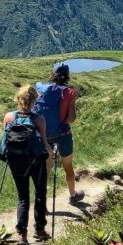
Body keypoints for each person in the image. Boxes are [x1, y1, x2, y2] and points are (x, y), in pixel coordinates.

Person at [2, 85, 54, 245]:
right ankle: (39, 229)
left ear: (18, 99)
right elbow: (44, 143)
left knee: (22, 197)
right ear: (34, 100)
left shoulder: (9, 117)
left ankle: (21, 234)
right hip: (36, 162)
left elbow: (5, 142)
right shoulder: (39, 120)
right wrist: (51, 154)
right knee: (40, 193)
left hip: (16, 162)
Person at [34, 64, 82, 204]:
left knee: (46, 168)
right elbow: (71, 119)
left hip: (44, 134)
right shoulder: (70, 92)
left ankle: (41, 203)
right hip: (63, 135)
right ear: (67, 76)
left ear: (52, 74)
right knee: (68, 166)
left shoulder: (41, 89)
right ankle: (73, 196)